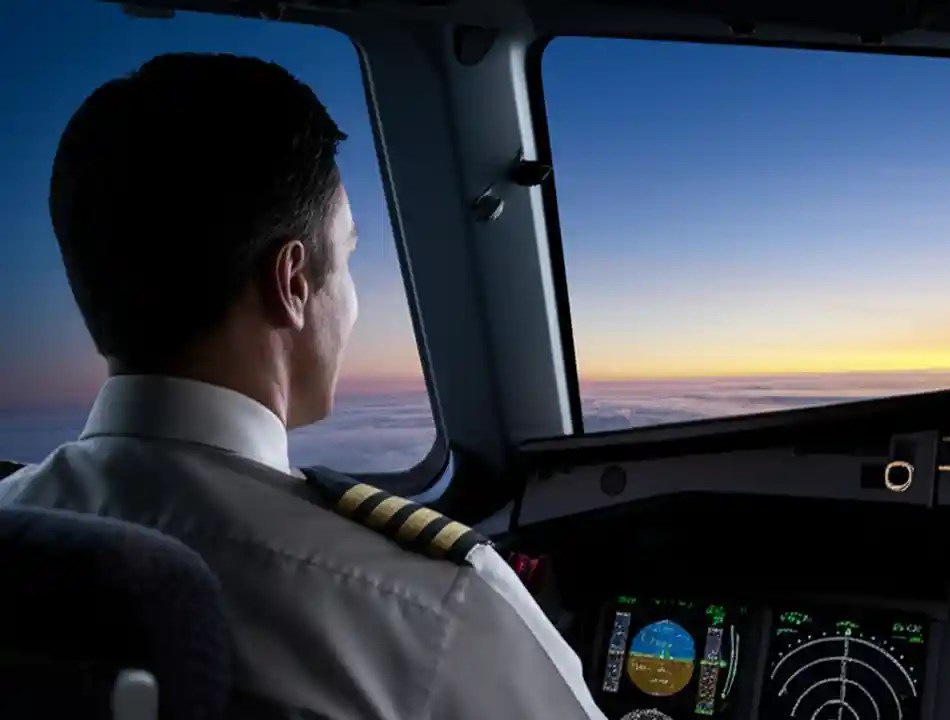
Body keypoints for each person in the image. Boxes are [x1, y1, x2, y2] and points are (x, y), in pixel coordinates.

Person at [0, 53, 605, 720]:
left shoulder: (17, 533)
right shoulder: (435, 613)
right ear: (291, 283)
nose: (349, 300)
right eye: (346, 256)